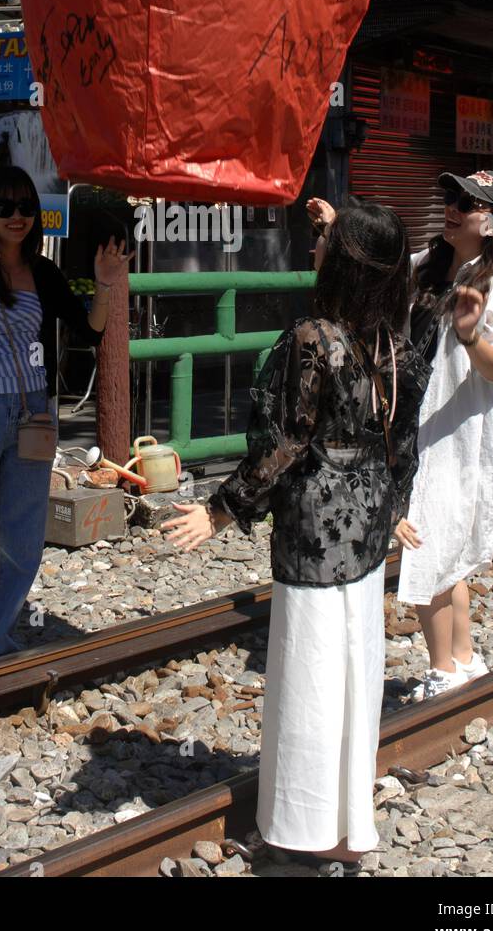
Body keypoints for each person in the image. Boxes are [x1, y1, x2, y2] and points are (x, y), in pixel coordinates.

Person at [162, 197, 429, 870]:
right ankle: (345, 825)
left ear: (342, 261)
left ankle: (297, 831)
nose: (312, 249)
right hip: (366, 529)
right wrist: (392, 506)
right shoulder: (393, 343)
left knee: (308, 678)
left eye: (324, 242)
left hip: (314, 529)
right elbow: (402, 444)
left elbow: (284, 442)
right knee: (354, 674)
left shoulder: (313, 337)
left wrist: (220, 509)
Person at [0, 166, 131, 674]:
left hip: (32, 414)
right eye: (5, 207)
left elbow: (89, 329)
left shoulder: (43, 272)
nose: (16, 217)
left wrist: (105, 285)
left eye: (24, 207)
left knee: (21, 537)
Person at [396, 170, 493, 700]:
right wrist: (339, 232)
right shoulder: (425, 267)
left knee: (429, 543)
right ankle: (464, 659)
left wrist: (471, 336)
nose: (454, 207)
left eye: (470, 203)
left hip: (459, 433)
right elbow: (376, 278)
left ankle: (441, 671)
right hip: (416, 422)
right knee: (446, 546)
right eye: (452, 197)